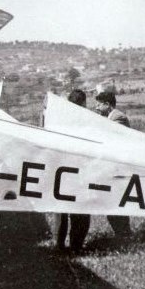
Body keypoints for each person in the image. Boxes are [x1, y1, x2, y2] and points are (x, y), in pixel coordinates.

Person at [55, 89, 91, 252]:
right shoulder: (88, 121)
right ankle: (76, 245)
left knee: (61, 210)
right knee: (81, 211)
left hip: (61, 170)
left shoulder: (60, 120)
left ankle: (60, 244)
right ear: (83, 103)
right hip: (80, 170)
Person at [95, 87, 134, 239]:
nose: (97, 108)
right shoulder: (110, 117)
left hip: (119, 168)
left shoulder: (118, 118)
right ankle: (122, 233)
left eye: (99, 105)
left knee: (116, 203)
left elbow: (110, 139)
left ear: (107, 104)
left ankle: (124, 234)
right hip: (114, 167)